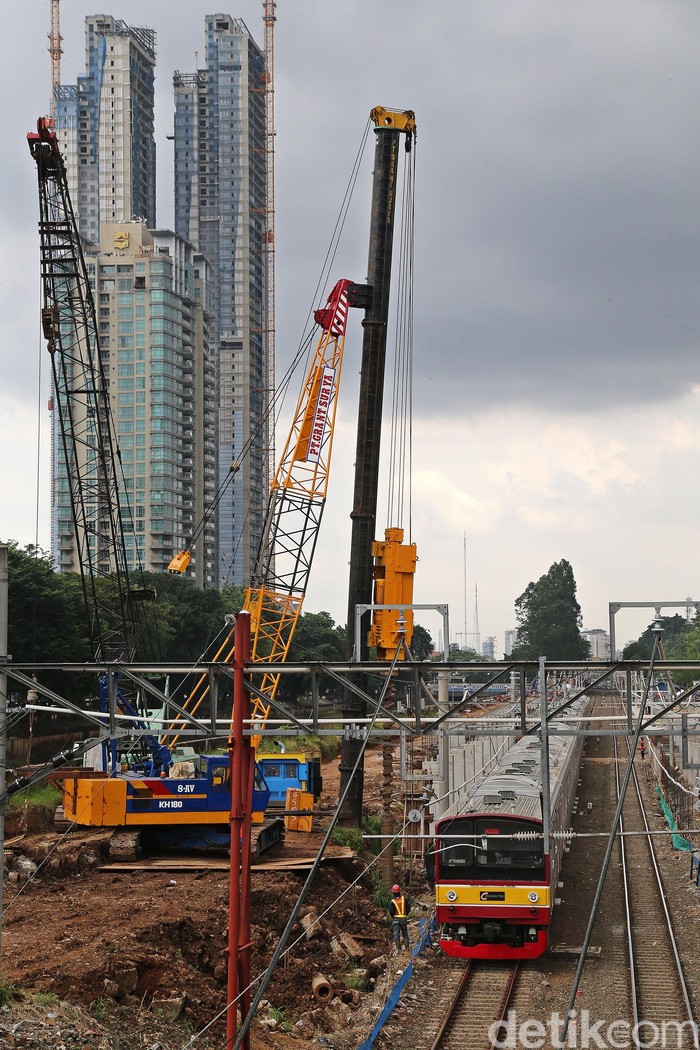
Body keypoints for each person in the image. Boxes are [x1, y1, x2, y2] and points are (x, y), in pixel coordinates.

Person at [388, 884, 410, 951]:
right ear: (399, 891)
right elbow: (408, 908)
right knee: (405, 934)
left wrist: (394, 917)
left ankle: (399, 950)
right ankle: (407, 949)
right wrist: (405, 914)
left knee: (396, 935)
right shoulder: (404, 899)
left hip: (396, 919)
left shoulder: (392, 902)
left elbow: (391, 912)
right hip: (403, 918)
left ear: (393, 892)